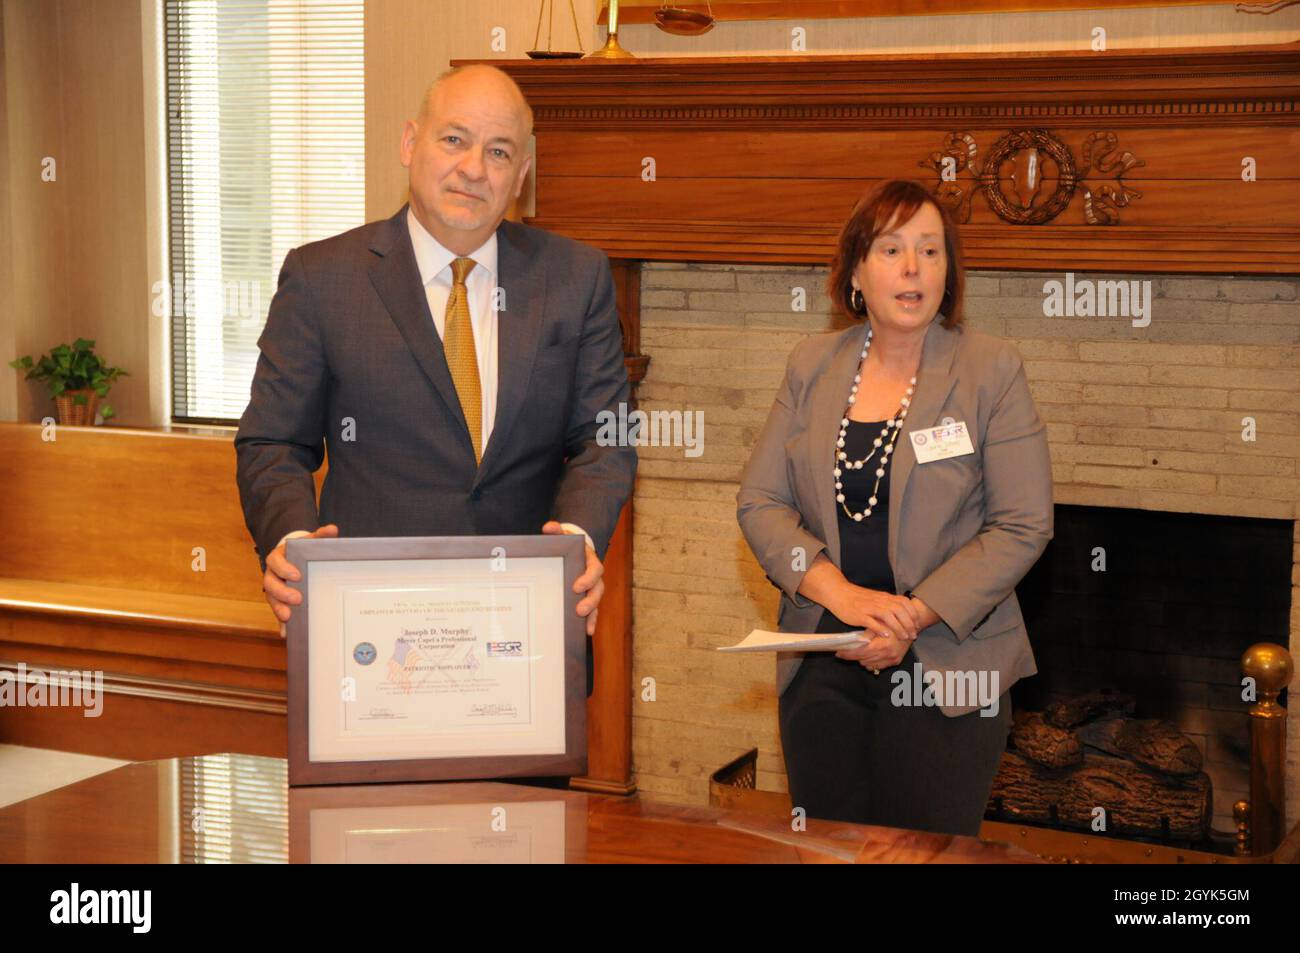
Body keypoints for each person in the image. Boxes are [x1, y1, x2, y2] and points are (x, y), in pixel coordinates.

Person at [235, 65, 637, 696]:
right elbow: (272, 443)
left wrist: (577, 542)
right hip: (366, 640)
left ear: (521, 175)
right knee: (372, 803)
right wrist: (292, 543)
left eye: (498, 151)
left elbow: (605, 439)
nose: (475, 167)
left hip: (522, 638)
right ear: (409, 144)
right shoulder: (321, 278)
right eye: (454, 140)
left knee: (531, 802)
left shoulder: (577, 278)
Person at [736, 179, 1053, 837]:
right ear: (856, 271)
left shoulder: (992, 371)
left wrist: (909, 616)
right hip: (826, 657)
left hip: (948, 661)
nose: (913, 268)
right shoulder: (811, 364)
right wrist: (846, 598)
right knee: (829, 851)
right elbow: (761, 502)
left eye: (930, 251)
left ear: (948, 271)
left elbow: (1023, 522)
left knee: (923, 856)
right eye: (891, 249)